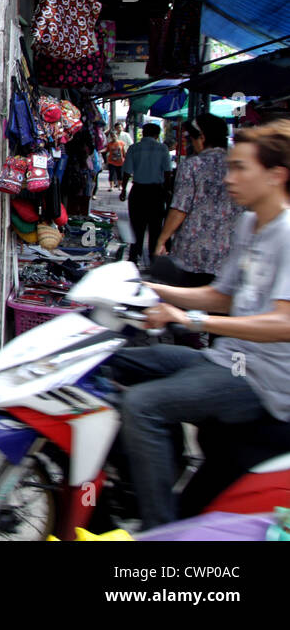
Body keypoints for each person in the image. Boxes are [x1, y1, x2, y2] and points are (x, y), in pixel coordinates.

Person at [106, 120, 290, 529]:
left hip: (261, 378)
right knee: (110, 361)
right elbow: (222, 295)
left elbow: (283, 322)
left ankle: (159, 530)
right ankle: (140, 478)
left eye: (241, 168)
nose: (229, 178)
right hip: (226, 359)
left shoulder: (287, 233)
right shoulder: (249, 223)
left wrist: (187, 317)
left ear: (276, 175)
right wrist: (148, 288)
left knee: (144, 405)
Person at [151, 113, 242, 287]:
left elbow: (180, 208)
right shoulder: (238, 166)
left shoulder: (193, 165)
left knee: (190, 305)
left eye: (191, 139)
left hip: (193, 254)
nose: (191, 143)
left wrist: (162, 240)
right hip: (230, 254)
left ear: (202, 138)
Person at [121, 122, 172, 264]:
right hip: (156, 191)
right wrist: (167, 191)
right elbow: (167, 172)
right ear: (157, 135)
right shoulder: (162, 149)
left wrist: (123, 190)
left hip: (138, 191)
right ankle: (153, 257)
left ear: (143, 133)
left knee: (136, 226)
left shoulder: (134, 148)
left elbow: (127, 171)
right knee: (155, 227)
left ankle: (134, 256)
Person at [105, 125, 127, 190]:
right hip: (111, 161)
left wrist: (126, 159)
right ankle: (111, 186)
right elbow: (106, 150)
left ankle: (119, 186)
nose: (113, 137)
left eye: (114, 136)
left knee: (119, 174)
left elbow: (124, 152)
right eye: (112, 136)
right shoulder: (109, 144)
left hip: (120, 162)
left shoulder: (121, 143)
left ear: (117, 136)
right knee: (111, 174)